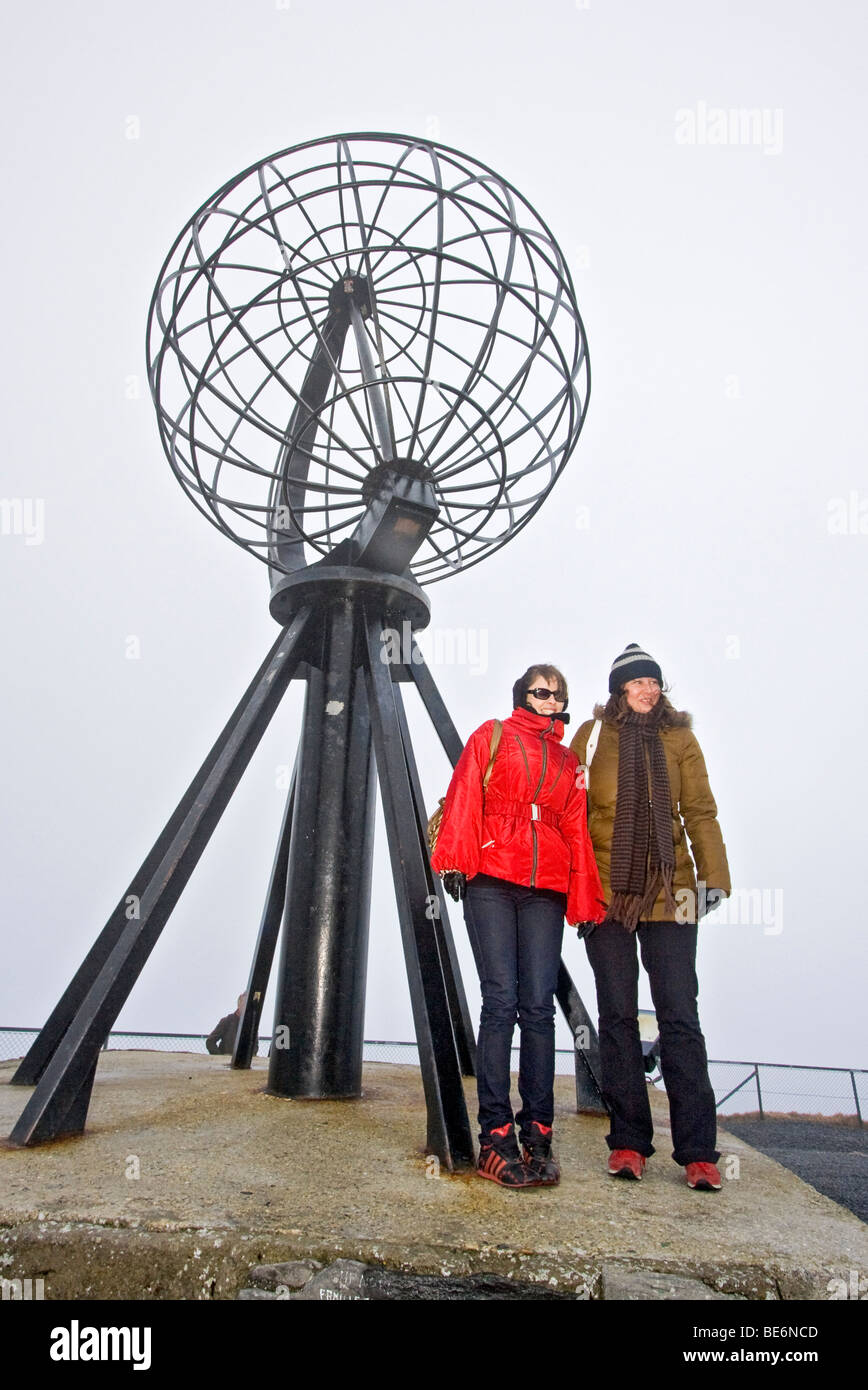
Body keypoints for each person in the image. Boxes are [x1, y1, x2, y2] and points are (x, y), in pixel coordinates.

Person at [431, 664, 605, 1188]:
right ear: (522, 695)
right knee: (501, 1000)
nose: (551, 700)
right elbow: (465, 794)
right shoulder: (494, 735)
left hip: (544, 887)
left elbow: (576, 827)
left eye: (559, 694)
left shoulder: (569, 760)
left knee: (538, 1009)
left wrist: (584, 899)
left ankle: (538, 1132)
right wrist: (455, 861)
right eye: (541, 692)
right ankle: (495, 1134)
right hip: (491, 879)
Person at [570, 643, 731, 1191]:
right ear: (619, 689)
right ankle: (630, 1144)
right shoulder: (592, 738)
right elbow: (572, 810)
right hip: (607, 893)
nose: (648, 690)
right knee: (616, 1016)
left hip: (672, 888)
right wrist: (575, 887)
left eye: (654, 683)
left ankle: (698, 1152)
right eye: (637, 683)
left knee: (680, 1016)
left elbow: (700, 811)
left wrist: (714, 881)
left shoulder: (680, 738)